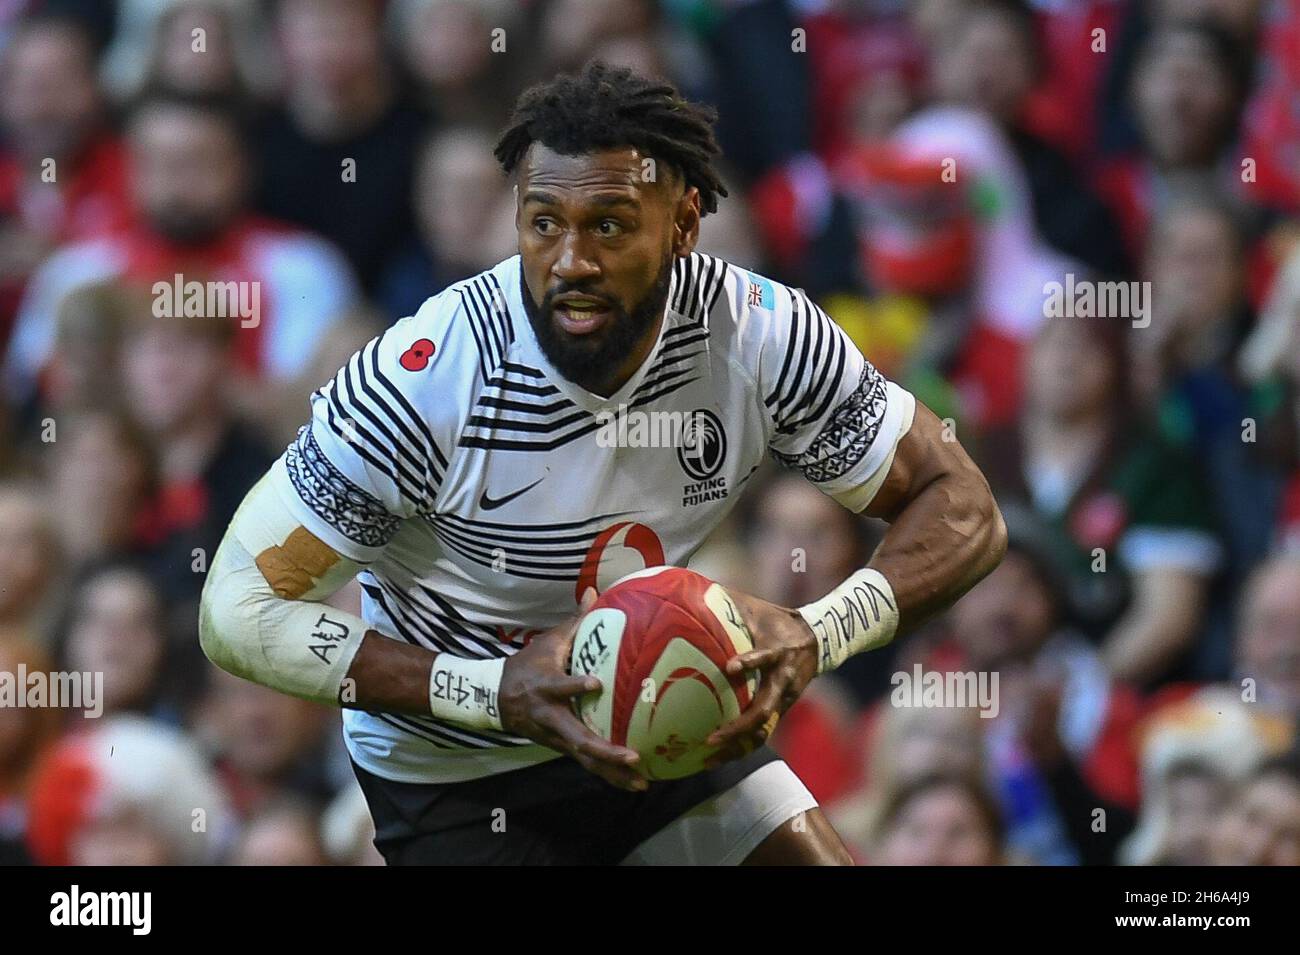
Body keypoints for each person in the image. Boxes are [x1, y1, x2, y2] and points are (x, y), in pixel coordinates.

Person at [199, 62, 1007, 866]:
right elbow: (235, 607)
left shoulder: (760, 336)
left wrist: (816, 633)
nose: (571, 261)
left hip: (665, 721)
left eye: (610, 225)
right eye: (543, 223)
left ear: (685, 224)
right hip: (462, 771)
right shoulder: (425, 381)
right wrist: (490, 690)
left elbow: (963, 503)